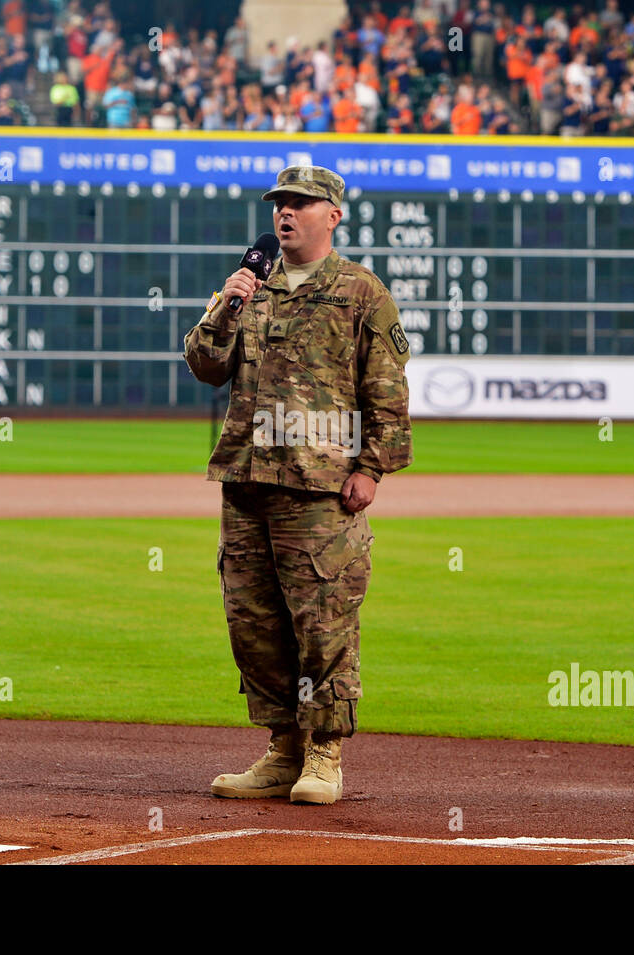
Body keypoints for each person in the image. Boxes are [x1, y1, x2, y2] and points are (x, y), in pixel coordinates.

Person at [183, 165, 412, 806]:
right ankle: (282, 749)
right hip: (247, 477)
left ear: (332, 214)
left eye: (301, 204)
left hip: (319, 487)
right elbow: (204, 365)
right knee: (253, 623)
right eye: (280, 204)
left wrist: (372, 467)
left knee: (323, 619)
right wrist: (227, 307)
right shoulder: (250, 284)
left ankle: (324, 753)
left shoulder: (361, 292)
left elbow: (387, 387)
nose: (286, 213)